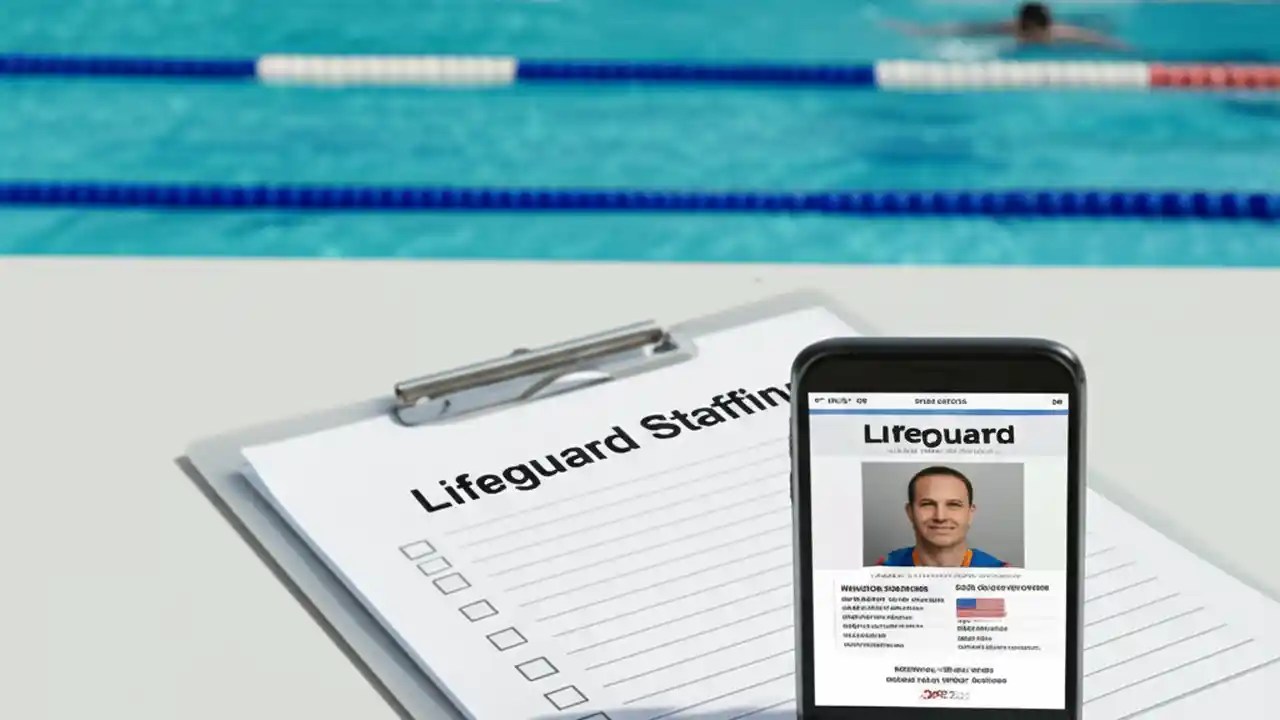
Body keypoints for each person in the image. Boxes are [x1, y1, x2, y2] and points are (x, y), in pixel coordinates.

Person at [874, 465, 1008, 568]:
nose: (940, 517)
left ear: (970, 513)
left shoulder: (1003, 577)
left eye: (953, 505)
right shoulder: (881, 574)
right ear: (910, 512)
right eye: (928, 504)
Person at [888, 2, 1130, 51]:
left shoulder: (1062, 34)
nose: (1027, 35)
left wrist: (1129, 52)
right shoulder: (1010, 28)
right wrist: (922, 31)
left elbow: (1102, 41)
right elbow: (967, 29)